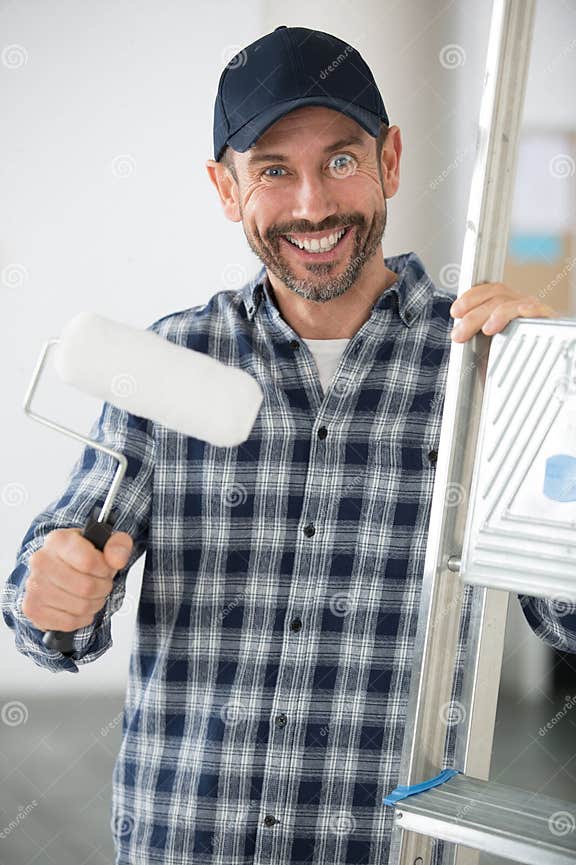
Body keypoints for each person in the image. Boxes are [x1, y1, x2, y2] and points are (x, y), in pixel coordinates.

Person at [2, 24, 572, 865]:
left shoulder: (479, 371)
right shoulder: (173, 360)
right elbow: (49, 605)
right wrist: (48, 594)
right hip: (182, 842)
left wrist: (558, 405)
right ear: (225, 188)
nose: (313, 205)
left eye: (341, 159)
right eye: (273, 169)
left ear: (392, 159)